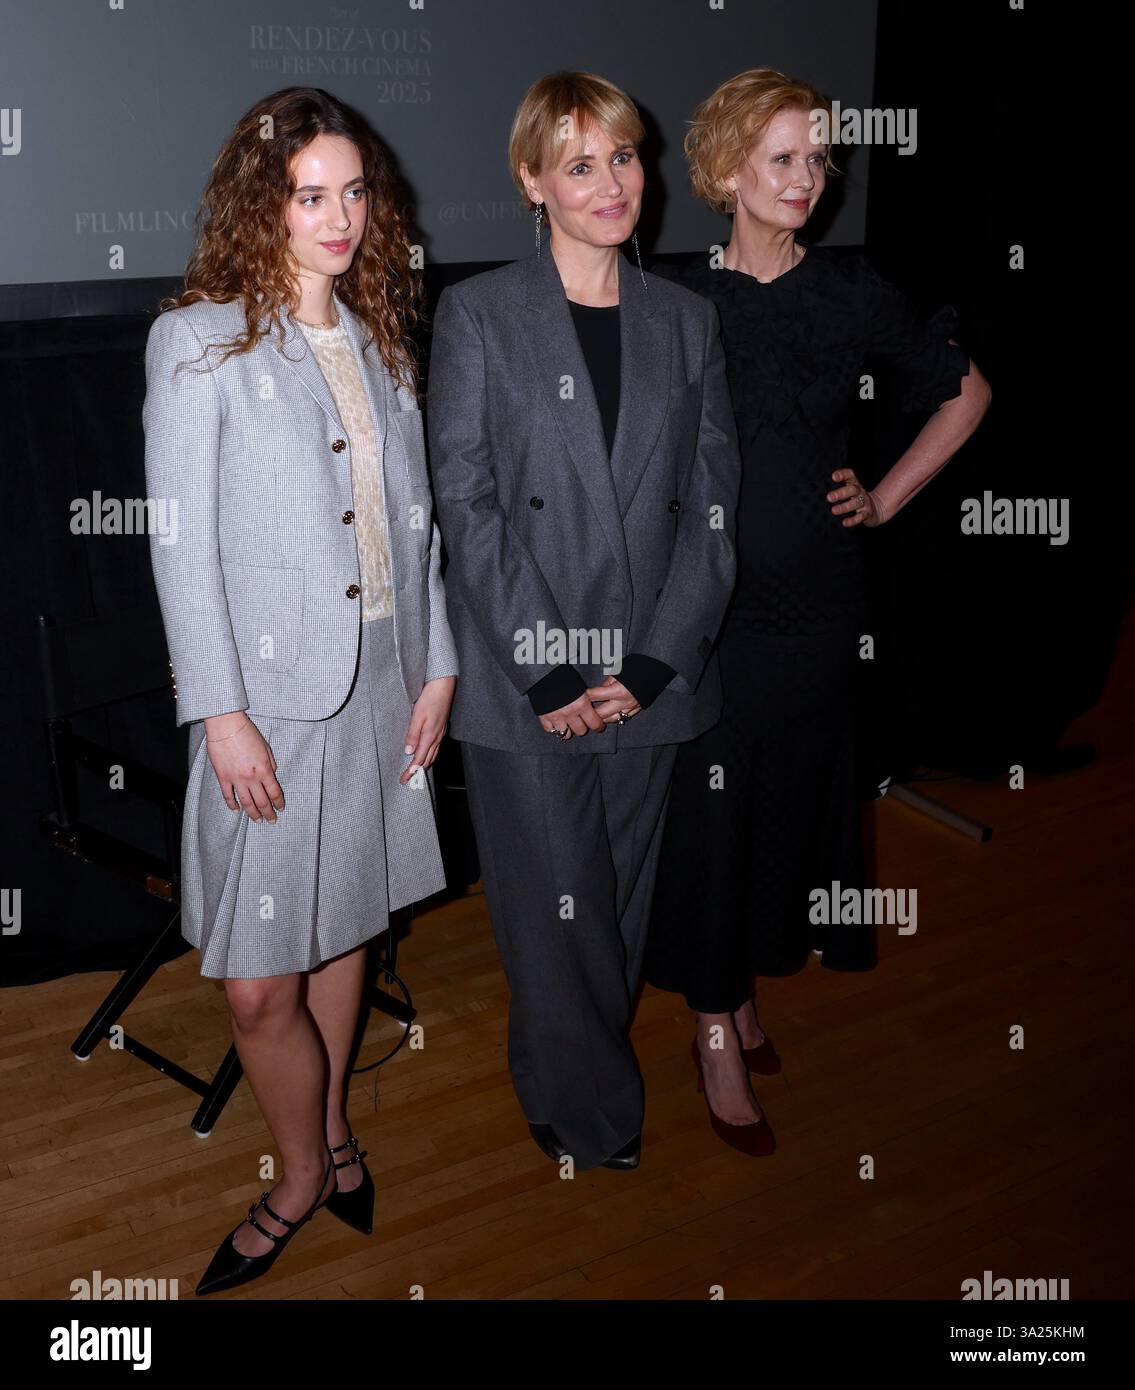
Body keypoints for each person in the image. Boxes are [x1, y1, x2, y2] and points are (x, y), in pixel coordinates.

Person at [142, 87, 457, 1293]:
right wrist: (217, 713)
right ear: (259, 204)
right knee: (258, 981)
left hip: (386, 683)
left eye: (354, 192)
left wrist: (439, 664)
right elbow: (180, 543)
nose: (339, 218)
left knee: (351, 925)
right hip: (266, 705)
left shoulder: (382, 339)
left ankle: (327, 1135)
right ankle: (296, 1178)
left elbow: (419, 527)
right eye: (308, 195)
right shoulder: (201, 339)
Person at [643, 67, 992, 1151]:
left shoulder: (851, 293)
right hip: (712, 614)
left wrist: (884, 494)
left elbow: (968, 391)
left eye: (818, 158)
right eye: (783, 158)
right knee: (710, 813)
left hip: (819, 608)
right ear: (727, 170)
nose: (808, 178)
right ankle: (711, 1021)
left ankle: (741, 988)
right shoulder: (677, 299)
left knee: (785, 808)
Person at [427, 71, 744, 1171]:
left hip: (646, 673)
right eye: (579, 164)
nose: (612, 184)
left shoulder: (686, 321)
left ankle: (555, 1070)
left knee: (612, 902)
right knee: (555, 913)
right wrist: (549, 669)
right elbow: (463, 506)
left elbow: (712, 510)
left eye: (624, 158)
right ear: (531, 182)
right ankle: (596, 1115)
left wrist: (657, 660)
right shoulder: (477, 315)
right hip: (532, 683)